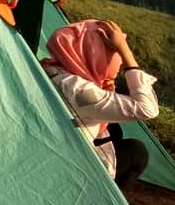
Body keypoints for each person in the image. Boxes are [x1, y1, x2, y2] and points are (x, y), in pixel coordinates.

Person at [42, 19, 158, 188]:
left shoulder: (52, 70)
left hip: (54, 149)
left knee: (114, 130)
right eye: (112, 52)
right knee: (137, 152)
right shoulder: (78, 90)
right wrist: (126, 53)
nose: (118, 62)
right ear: (92, 53)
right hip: (62, 170)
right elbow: (146, 108)